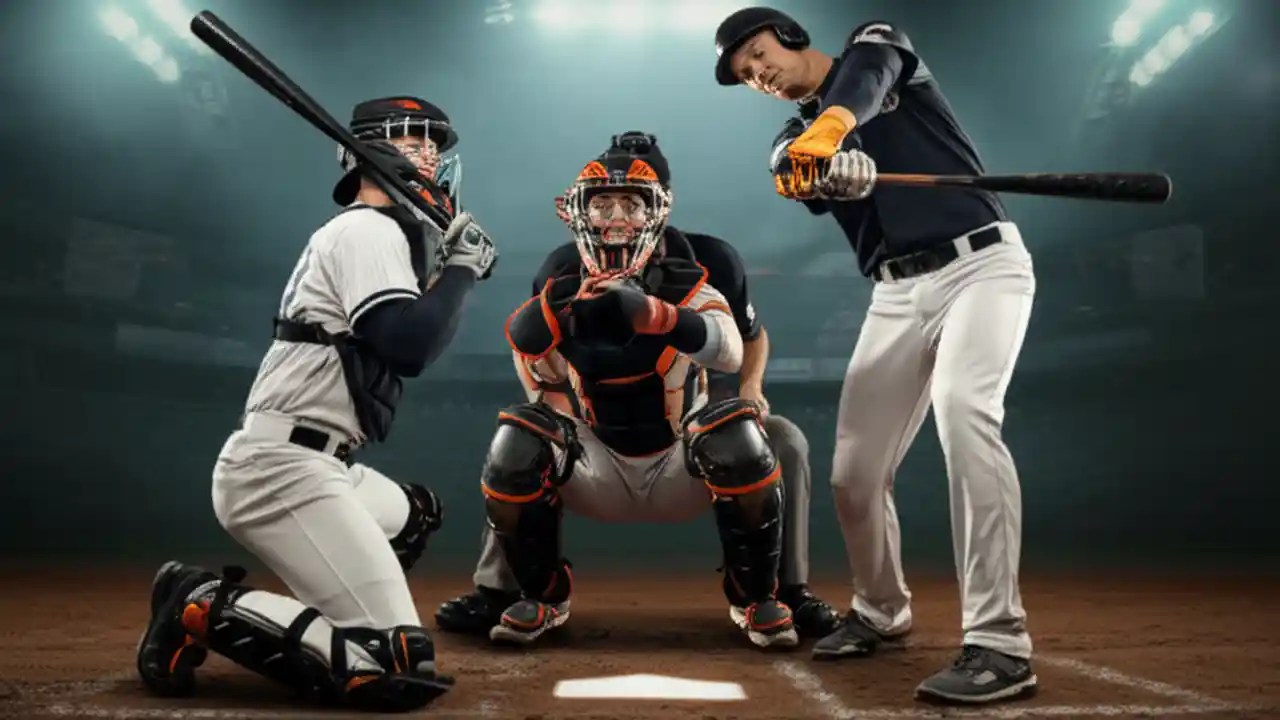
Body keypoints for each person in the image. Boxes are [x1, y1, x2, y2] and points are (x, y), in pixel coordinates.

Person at [714, 7, 1039, 705]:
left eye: (759, 55)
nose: (758, 74)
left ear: (791, 36)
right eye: (745, 75)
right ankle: (882, 611)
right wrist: (825, 171)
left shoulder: (876, 46)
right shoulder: (792, 137)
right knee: (853, 475)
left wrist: (835, 128)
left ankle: (1001, 642)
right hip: (894, 294)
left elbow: (869, 74)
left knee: (965, 418)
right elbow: (789, 172)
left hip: (981, 267)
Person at [135, 96, 498, 713]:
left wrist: (445, 271)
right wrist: (461, 270)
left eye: (435, 144)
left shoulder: (386, 237)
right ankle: (193, 601)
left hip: (325, 464)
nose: (431, 155)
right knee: (394, 669)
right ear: (368, 153)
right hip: (281, 470)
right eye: (412, 142)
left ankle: (346, 607)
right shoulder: (366, 229)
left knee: (413, 515)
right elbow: (408, 345)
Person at [434, 132, 839, 640]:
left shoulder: (701, 269)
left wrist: (667, 322)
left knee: (761, 436)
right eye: (604, 202)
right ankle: (515, 591)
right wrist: (556, 409)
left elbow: (736, 346)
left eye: (633, 200)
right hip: (597, 449)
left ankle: (775, 593)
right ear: (580, 208)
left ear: (660, 205)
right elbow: (532, 361)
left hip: (680, 446)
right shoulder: (560, 275)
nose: (618, 218)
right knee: (519, 436)